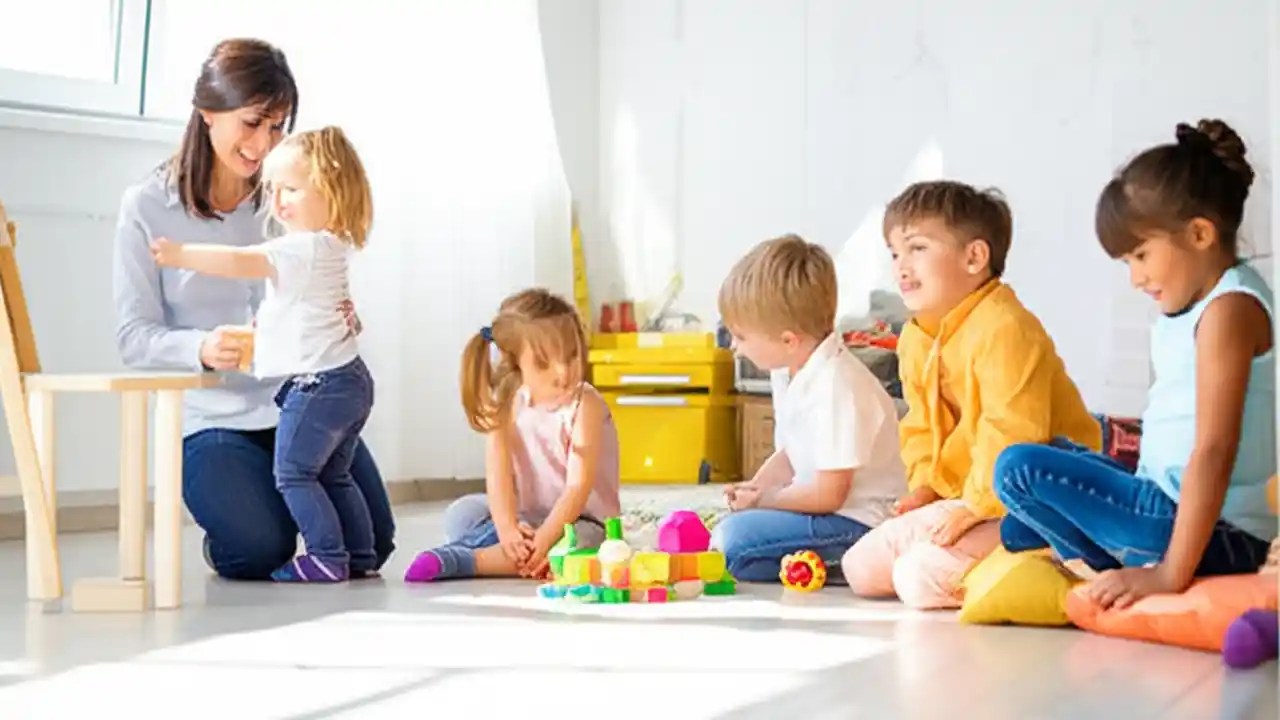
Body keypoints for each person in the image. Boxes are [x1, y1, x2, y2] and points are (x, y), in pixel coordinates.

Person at [112, 38, 395, 580]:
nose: (264, 144)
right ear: (207, 113)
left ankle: (285, 500)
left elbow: (321, 270)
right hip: (215, 419)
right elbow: (133, 335)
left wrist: (336, 312)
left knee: (373, 544)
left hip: (299, 403)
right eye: (252, 123)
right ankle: (235, 521)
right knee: (256, 549)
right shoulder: (147, 206)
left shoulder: (289, 196)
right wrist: (202, 347)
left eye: (278, 126)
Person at [994, 119, 1275, 609]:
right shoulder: (1194, 307)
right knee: (1021, 517)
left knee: (1017, 471)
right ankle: (1118, 560)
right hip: (1165, 502)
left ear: (1200, 233)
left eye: (1141, 255)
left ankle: (1119, 567)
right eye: (1128, 262)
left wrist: (1171, 574)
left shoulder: (1229, 312)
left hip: (1218, 533)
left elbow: (1214, 449)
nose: (1136, 278)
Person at [842, 180, 1100, 608]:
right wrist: (926, 489)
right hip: (968, 496)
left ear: (974, 257)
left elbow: (1012, 431)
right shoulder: (916, 336)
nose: (901, 267)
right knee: (862, 569)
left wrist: (974, 508)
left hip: (1036, 499)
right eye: (894, 253)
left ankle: (1062, 554)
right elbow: (921, 426)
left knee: (917, 577)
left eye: (917, 248)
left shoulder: (1006, 326)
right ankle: (1006, 558)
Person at [150, 126, 377, 582]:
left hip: (317, 388)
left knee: (294, 473)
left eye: (290, 189)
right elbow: (301, 314)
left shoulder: (298, 248)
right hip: (350, 381)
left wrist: (180, 255)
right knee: (334, 475)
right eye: (273, 191)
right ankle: (360, 553)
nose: (277, 203)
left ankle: (327, 557)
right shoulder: (333, 246)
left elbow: (240, 262)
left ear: (330, 188)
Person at [709, 234, 906, 583]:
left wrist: (766, 501)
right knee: (729, 533)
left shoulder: (836, 387)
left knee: (734, 542)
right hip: (827, 510)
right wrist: (756, 488)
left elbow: (829, 494)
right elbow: (793, 453)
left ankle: (860, 561)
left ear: (788, 340)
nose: (735, 349)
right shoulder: (792, 368)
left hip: (858, 522)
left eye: (740, 337)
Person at [403, 288, 621, 582]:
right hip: (527, 516)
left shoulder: (586, 404)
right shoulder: (507, 403)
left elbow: (577, 488)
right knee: (463, 513)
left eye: (571, 356)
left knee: (587, 543)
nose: (563, 371)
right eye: (544, 363)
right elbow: (499, 476)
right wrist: (507, 528)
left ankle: (468, 559)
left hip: (580, 519)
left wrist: (544, 538)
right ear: (515, 361)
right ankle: (517, 553)